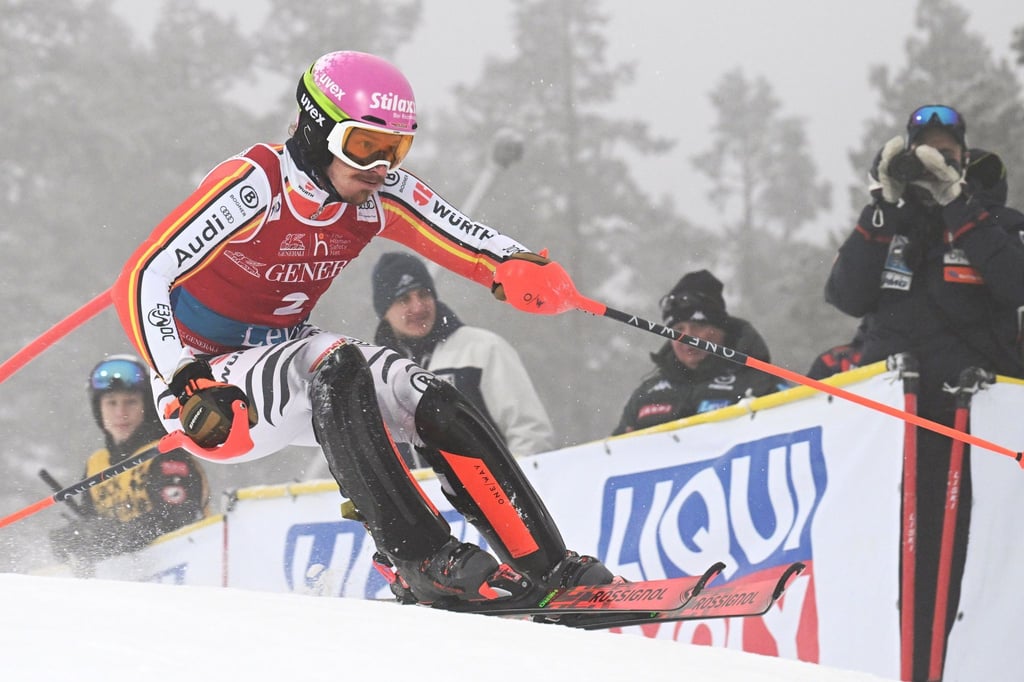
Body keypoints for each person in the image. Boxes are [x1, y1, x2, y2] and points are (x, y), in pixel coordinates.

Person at [111, 51, 613, 606]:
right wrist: (185, 377)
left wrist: (517, 265)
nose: (379, 166)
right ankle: (420, 556)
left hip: (284, 348)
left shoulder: (378, 194)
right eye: (365, 146)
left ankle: (545, 564)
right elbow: (143, 276)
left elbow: (462, 233)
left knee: (421, 391)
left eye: (395, 150)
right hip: (211, 389)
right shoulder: (254, 186)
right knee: (337, 365)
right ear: (317, 129)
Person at [824, 104, 1024, 680]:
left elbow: (1015, 284)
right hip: (894, 431)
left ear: (965, 156)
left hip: (973, 426)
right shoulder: (892, 222)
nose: (936, 164)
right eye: (926, 153)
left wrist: (958, 202)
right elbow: (845, 295)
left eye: (948, 153)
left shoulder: (996, 222)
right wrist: (882, 205)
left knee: (966, 570)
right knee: (892, 568)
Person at [371, 251, 554, 466]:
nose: (418, 307)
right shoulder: (372, 375)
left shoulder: (483, 349)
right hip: (419, 499)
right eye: (403, 299)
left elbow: (530, 434)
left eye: (423, 294)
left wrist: (511, 493)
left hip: (491, 497)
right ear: (384, 311)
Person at [49, 355, 209, 575]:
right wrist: (76, 539)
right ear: (98, 409)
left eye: (131, 402)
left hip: (186, 572)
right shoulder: (96, 464)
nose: (120, 413)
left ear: (147, 406)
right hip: (127, 584)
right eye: (111, 402)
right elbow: (91, 522)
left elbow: (178, 519)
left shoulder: (165, 454)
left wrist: (116, 536)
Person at [612, 270, 784, 435]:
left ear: (721, 329)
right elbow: (612, 455)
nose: (688, 337)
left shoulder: (759, 382)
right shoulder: (646, 394)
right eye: (678, 329)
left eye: (698, 326)